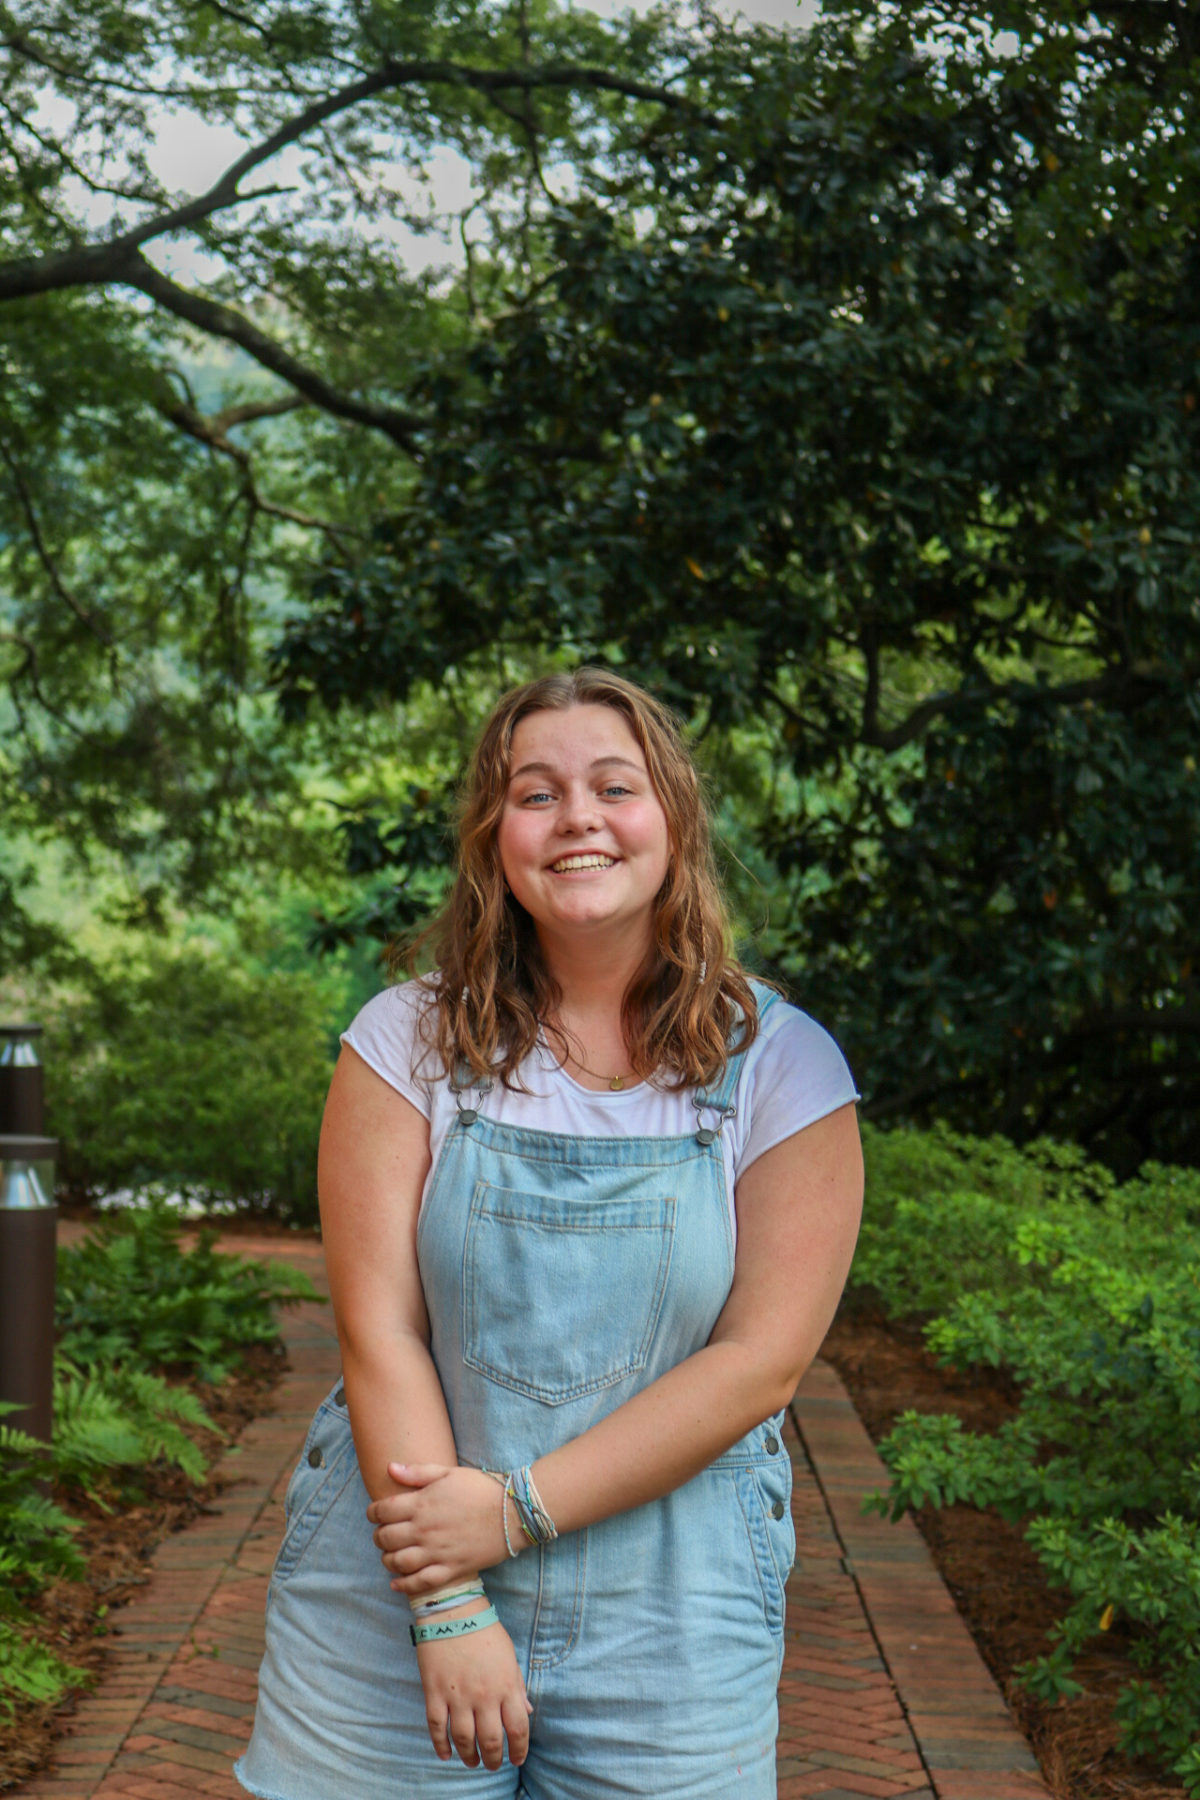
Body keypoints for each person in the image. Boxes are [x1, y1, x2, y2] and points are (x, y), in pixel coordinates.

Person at [235, 667, 863, 1800]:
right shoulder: (403, 1042)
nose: (577, 816)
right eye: (536, 793)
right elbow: (381, 1334)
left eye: (613, 786)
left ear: (672, 821)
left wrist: (512, 1515)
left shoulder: (783, 1064)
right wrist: (448, 1597)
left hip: (676, 1603)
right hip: (399, 1568)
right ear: (494, 838)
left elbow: (760, 1364)